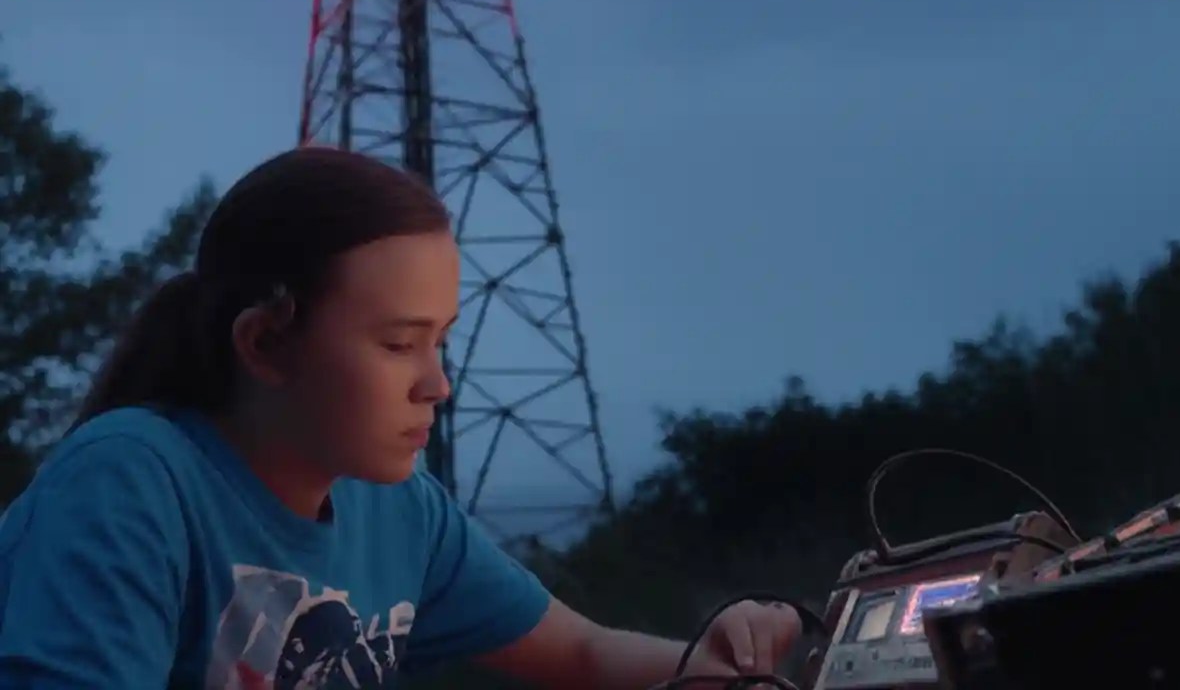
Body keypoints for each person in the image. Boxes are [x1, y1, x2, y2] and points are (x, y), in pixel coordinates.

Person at [0, 147, 801, 689]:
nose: (438, 385)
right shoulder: (129, 484)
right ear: (265, 342)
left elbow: (582, 650)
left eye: (441, 342)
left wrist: (717, 664)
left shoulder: (395, 507)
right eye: (398, 344)